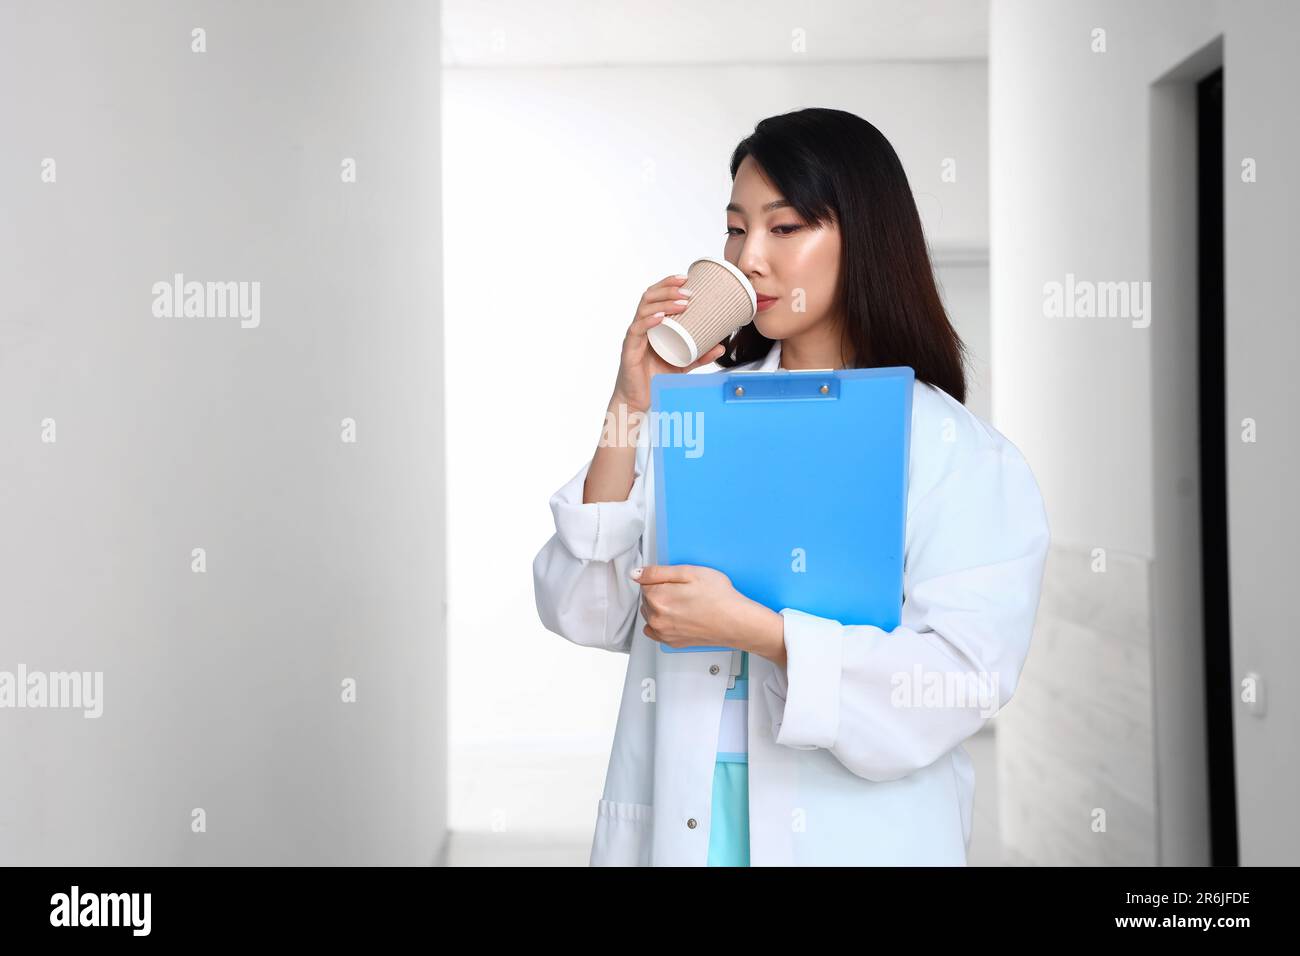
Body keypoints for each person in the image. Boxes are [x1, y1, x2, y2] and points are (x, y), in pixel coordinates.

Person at [532, 107, 1051, 866]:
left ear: (864, 238)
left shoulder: (955, 453)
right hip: (685, 820)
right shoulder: (694, 417)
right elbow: (585, 609)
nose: (750, 259)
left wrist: (761, 633)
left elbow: (955, 684)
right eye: (736, 229)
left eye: (785, 227)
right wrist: (631, 403)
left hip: (852, 833)